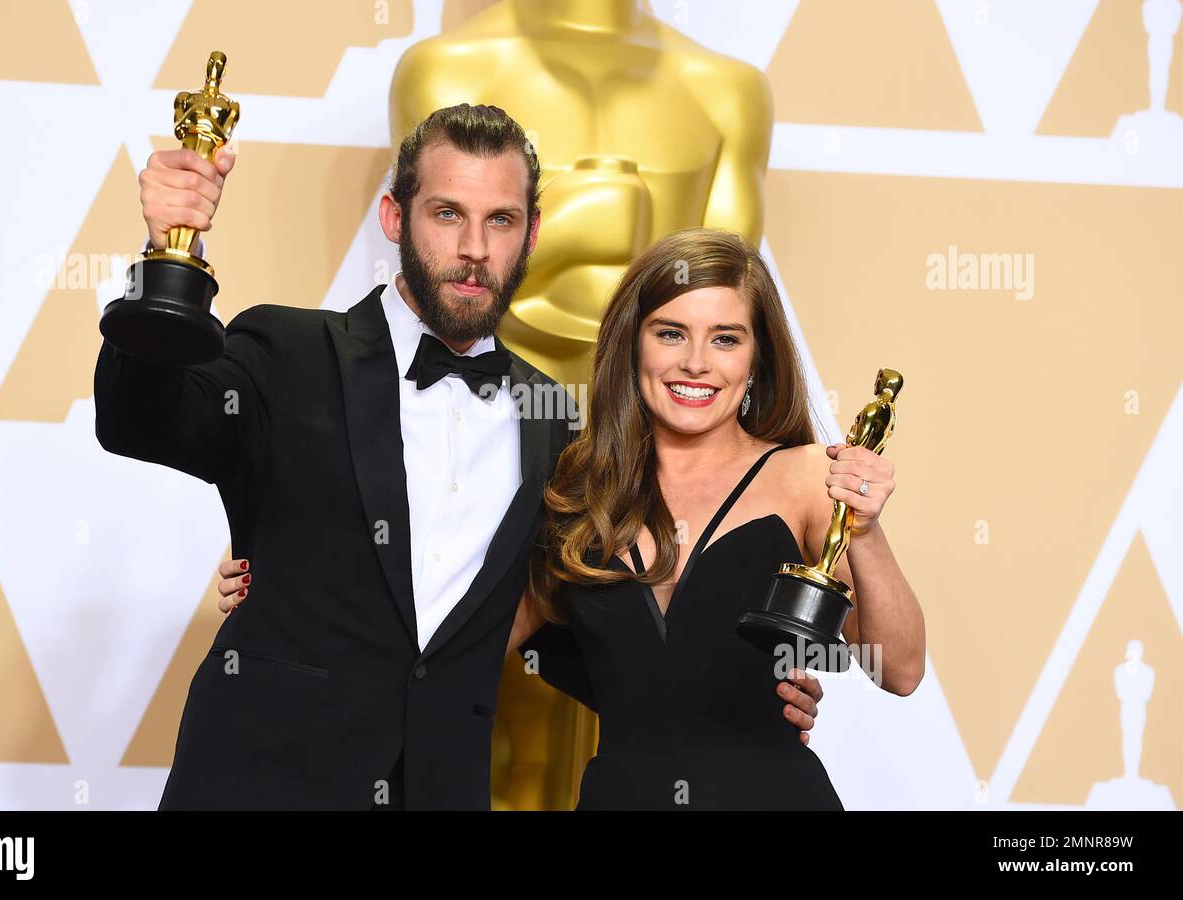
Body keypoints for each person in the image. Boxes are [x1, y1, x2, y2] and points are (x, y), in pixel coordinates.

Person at [97, 104, 824, 810]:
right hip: (260, 780)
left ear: (531, 234)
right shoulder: (287, 352)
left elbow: (592, 631)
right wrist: (170, 252)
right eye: (447, 214)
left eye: (500, 220)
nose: (474, 248)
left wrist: (753, 684)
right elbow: (142, 421)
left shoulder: (559, 430)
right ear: (394, 218)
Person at [217, 226, 926, 810]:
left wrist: (864, 528)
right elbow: (453, 640)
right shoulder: (576, 488)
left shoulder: (806, 475)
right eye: (671, 333)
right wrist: (289, 590)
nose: (697, 364)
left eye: (726, 338)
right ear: (633, 342)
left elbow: (898, 667)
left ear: (758, 354)